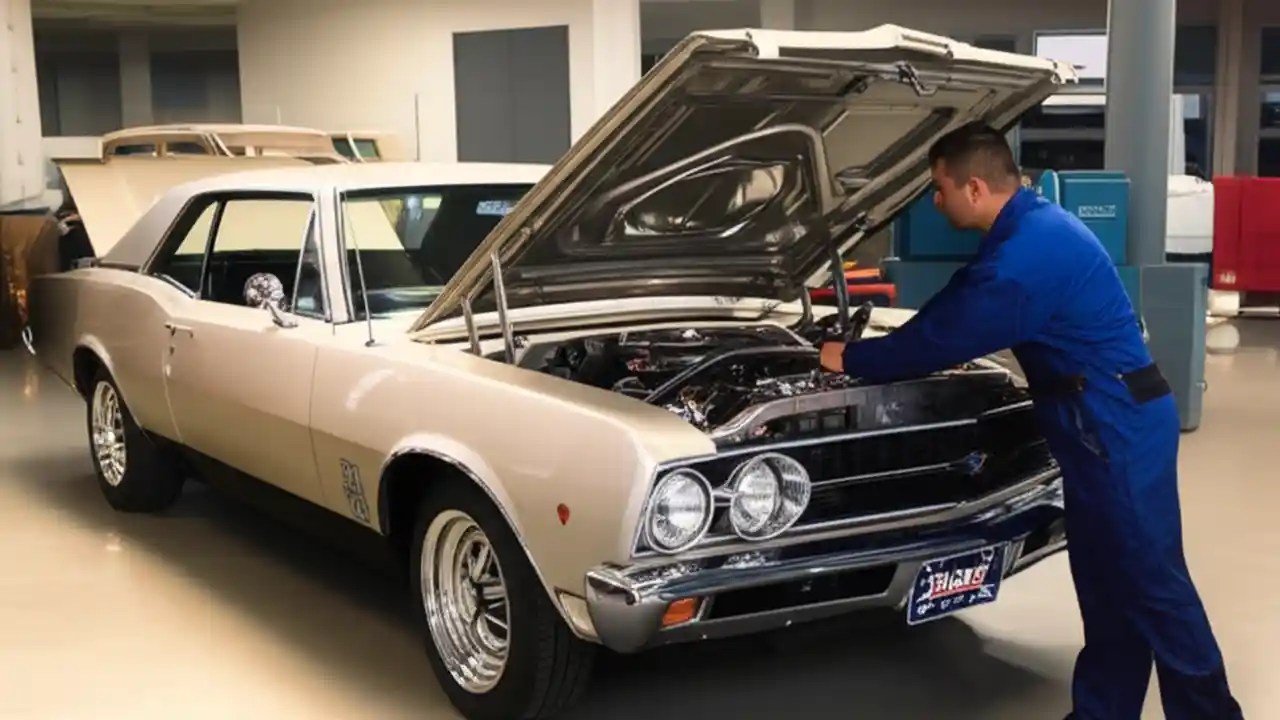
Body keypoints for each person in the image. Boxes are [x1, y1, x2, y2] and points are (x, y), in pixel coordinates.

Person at [819, 122, 1243, 720]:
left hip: (1113, 424)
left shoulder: (1025, 256)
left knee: (1152, 584)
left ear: (973, 188)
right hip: (1097, 420)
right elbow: (963, 299)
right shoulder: (1029, 226)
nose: (935, 202)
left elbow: (945, 333)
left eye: (940, 189)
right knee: (1105, 583)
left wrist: (853, 358)